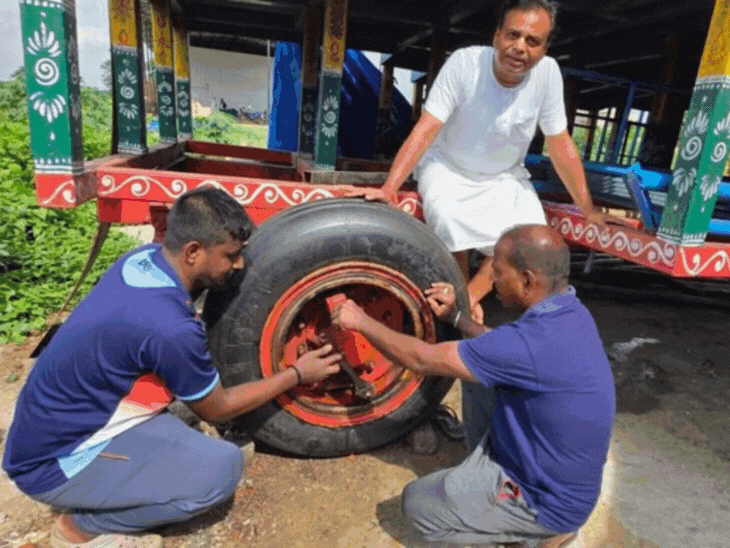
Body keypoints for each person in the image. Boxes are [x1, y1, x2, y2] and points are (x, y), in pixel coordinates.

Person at [2, 187, 341, 548]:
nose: (239, 264)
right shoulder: (168, 328)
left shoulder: (142, 260)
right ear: (193, 252)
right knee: (220, 471)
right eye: (231, 255)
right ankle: (82, 526)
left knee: (185, 427)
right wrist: (297, 374)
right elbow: (219, 407)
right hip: (54, 463)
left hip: (48, 429)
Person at [331, 224, 615, 547]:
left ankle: (537, 537)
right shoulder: (569, 312)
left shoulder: (531, 344)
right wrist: (457, 318)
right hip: (557, 472)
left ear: (528, 281)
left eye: (498, 272)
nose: (492, 280)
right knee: (475, 375)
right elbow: (499, 348)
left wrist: (360, 321)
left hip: (544, 502)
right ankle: (483, 482)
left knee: (419, 505)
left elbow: (422, 359)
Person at [353, 0, 611, 323]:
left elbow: (560, 145)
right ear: (496, 35)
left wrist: (587, 209)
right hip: (447, 167)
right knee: (448, 220)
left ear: (545, 48)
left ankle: (467, 299)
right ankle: (462, 301)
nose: (520, 47)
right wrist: (390, 188)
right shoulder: (464, 64)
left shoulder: (548, 75)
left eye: (533, 41)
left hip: (504, 176)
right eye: (513, 35)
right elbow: (427, 128)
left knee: (530, 234)